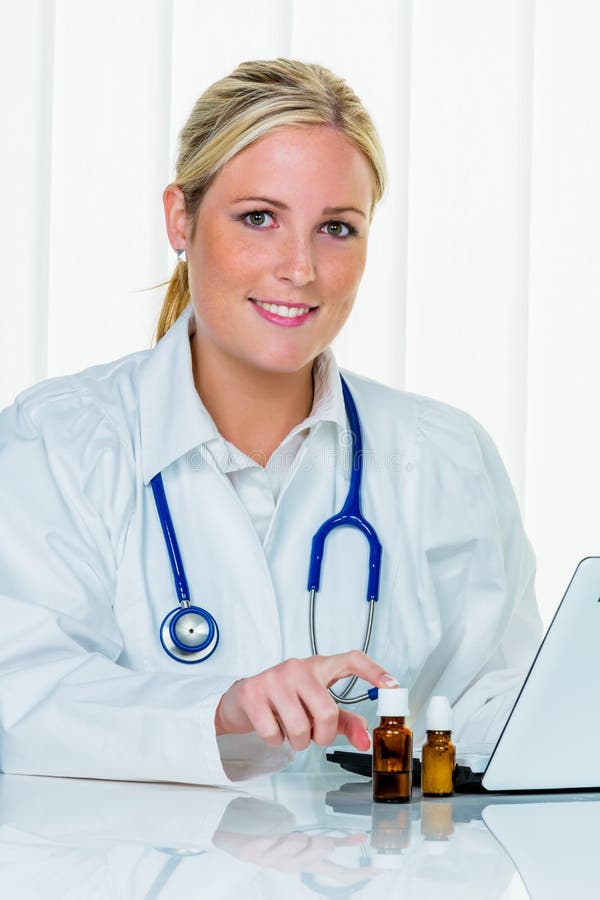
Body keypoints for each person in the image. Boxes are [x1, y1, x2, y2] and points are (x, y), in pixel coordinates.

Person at [0, 58, 542, 786]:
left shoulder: (441, 455)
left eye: (337, 229)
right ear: (180, 219)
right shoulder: (56, 445)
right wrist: (220, 711)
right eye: (259, 217)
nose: (300, 267)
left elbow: (494, 704)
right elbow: (24, 702)